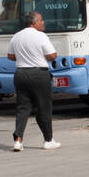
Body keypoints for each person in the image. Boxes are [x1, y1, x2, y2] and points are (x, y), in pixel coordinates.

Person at [7, 10, 59, 151]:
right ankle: (48, 140)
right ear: (34, 22)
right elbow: (52, 55)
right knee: (44, 107)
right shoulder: (41, 36)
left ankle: (18, 140)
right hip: (39, 74)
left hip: (20, 74)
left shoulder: (16, 36)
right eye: (41, 20)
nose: (43, 23)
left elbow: (10, 56)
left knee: (23, 108)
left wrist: (24, 57)